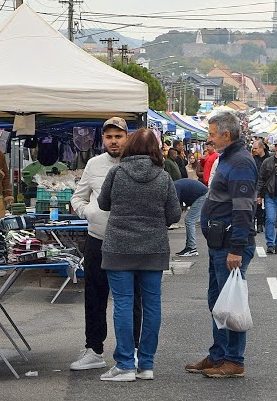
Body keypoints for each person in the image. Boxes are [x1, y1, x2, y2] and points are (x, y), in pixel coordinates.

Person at [96, 129, 182, 381]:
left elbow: (103, 203)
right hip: (153, 248)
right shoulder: (163, 177)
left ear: (130, 146)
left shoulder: (117, 172)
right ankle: (146, 365)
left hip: (119, 247)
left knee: (123, 303)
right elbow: (175, 214)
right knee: (152, 304)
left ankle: (124, 364)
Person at [185, 109, 257, 379]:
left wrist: (236, 248)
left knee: (231, 303)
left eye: (212, 134)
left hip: (229, 244)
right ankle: (219, 355)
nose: (209, 138)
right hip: (221, 242)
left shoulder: (239, 162)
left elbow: (243, 208)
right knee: (218, 301)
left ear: (227, 134)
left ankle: (233, 359)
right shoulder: (229, 158)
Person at [68, 118, 143, 370]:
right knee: (95, 295)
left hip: (129, 243)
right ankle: (94, 349)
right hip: (98, 239)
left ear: (127, 137)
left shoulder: (139, 164)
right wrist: (87, 212)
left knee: (132, 298)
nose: (114, 141)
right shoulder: (93, 164)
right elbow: (78, 197)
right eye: (109, 136)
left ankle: (131, 349)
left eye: (118, 136)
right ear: (103, 139)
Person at [174, 177, 208, 257]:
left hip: (201, 195)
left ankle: (192, 248)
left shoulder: (174, 188)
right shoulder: (175, 185)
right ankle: (189, 246)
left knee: (189, 220)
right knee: (190, 220)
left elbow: (175, 206)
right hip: (202, 193)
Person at [250, 139, 269, 234]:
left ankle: (263, 223)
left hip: (268, 185)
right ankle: (257, 224)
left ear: (262, 148)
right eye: (253, 148)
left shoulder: (269, 158)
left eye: (256, 148)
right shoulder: (253, 159)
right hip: (256, 184)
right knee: (257, 205)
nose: (254, 150)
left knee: (265, 206)